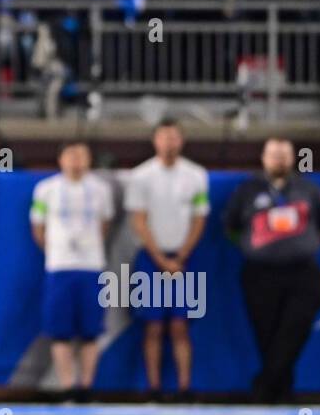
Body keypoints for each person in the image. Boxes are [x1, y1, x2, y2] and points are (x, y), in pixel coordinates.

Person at [222, 137, 320, 403]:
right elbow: (231, 227)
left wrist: (300, 245)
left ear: (294, 158)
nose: (279, 160)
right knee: (266, 331)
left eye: (284, 155)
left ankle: (265, 385)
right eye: (274, 155)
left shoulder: (308, 189)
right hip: (260, 272)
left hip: (302, 272)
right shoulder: (248, 190)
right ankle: (279, 390)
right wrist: (252, 246)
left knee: (294, 329)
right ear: (263, 158)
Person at [124, 119, 209, 399]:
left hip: (185, 257)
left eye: (174, 137)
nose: (169, 143)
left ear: (181, 141)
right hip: (152, 258)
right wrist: (161, 259)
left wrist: (181, 255)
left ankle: (185, 387)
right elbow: (140, 222)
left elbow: (199, 219)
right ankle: (154, 387)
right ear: (155, 141)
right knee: (154, 325)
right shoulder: (141, 176)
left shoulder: (196, 175)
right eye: (164, 137)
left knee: (180, 325)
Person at [30, 143, 115, 399]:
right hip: (59, 266)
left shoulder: (101, 189)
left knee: (91, 330)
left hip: (91, 266)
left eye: (82, 156)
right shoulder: (46, 189)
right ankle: (68, 386)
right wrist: (55, 251)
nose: (76, 161)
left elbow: (104, 225)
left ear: (90, 160)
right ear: (61, 159)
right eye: (71, 155)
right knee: (60, 331)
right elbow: (38, 228)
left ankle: (86, 386)